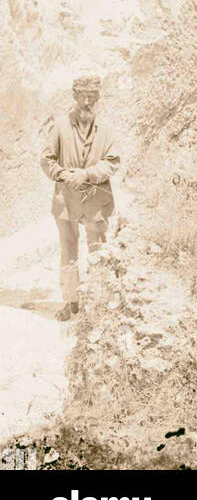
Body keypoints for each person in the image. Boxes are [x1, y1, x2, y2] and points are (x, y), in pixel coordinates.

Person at [40, 76, 120, 321]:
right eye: (83, 96)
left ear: (98, 98)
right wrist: (64, 175)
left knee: (98, 250)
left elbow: (113, 162)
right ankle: (70, 302)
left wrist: (86, 174)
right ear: (74, 96)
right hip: (66, 200)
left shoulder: (105, 128)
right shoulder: (60, 126)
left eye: (92, 97)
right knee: (68, 250)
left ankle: (98, 302)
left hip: (96, 201)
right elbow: (46, 160)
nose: (87, 102)